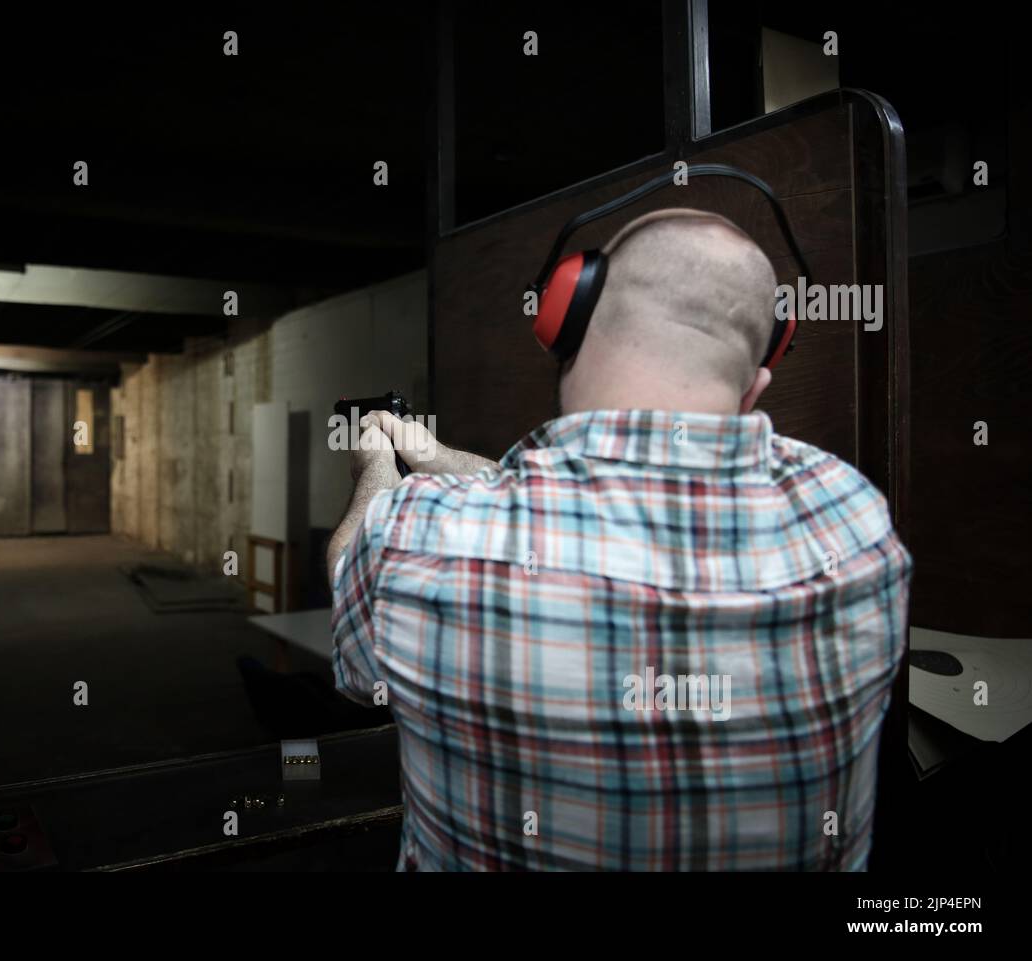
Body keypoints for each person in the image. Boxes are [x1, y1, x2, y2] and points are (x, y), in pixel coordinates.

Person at [326, 208, 912, 871]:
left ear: (560, 322)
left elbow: (352, 568)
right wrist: (434, 455)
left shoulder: (417, 542)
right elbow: (580, 512)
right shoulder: (853, 521)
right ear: (757, 382)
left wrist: (375, 465)